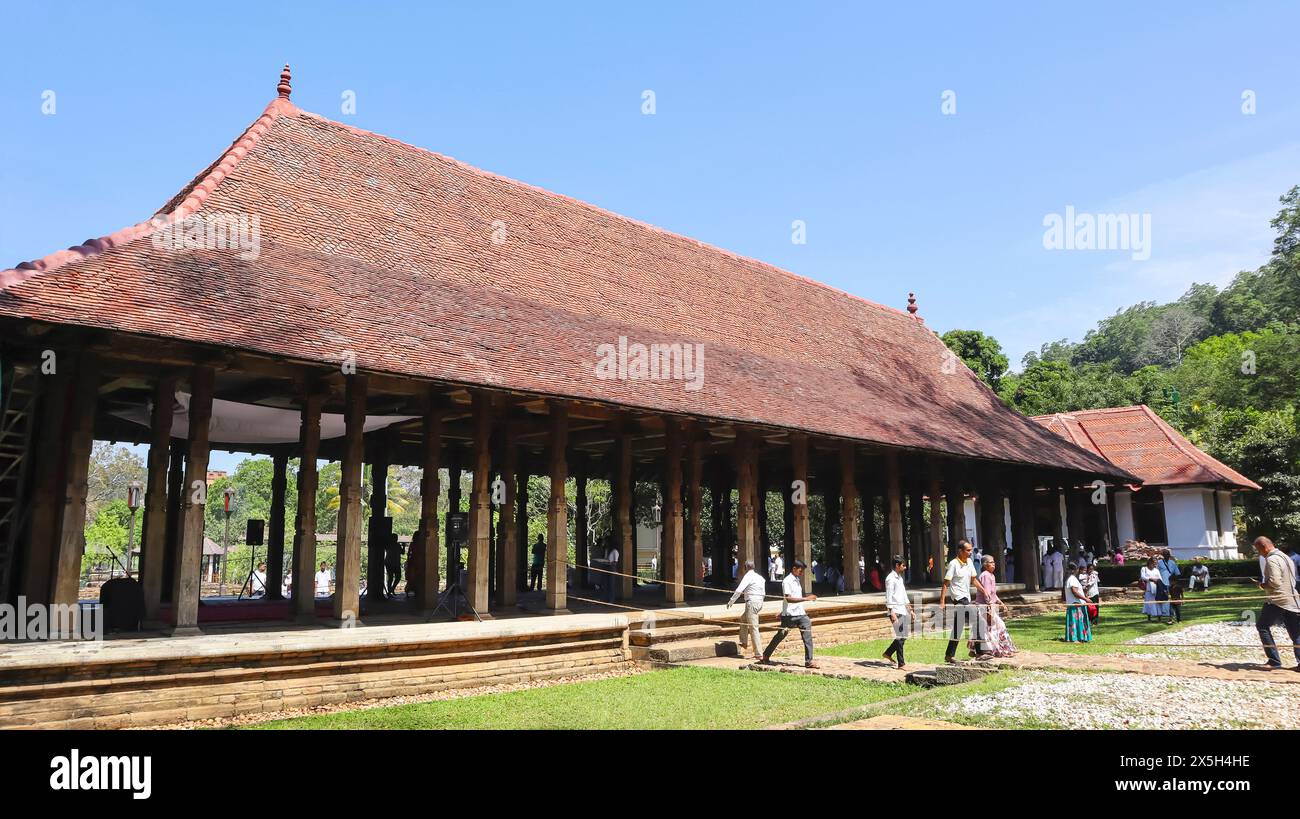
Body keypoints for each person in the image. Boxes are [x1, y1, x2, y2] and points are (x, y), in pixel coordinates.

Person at [1252, 536, 1300, 671]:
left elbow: (1275, 582)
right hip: (1293, 598)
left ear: (1264, 547)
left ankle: (1274, 661)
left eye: (1258, 550)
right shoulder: (1287, 557)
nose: (1259, 553)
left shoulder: (1272, 559)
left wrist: (1261, 585)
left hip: (1277, 600)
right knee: (1296, 633)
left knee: (1262, 626)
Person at [760, 559, 818, 668]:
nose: (801, 573)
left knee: (807, 635)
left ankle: (809, 661)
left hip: (801, 614)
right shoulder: (787, 581)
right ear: (794, 569)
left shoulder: (796, 580)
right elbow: (788, 599)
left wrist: (782, 611)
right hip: (790, 616)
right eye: (800, 571)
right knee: (780, 635)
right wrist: (806, 599)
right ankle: (766, 655)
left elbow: (791, 600)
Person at [941, 540, 991, 663]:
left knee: (958, 629)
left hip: (966, 598)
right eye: (968, 550)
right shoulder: (953, 564)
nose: (970, 552)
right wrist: (942, 601)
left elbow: (974, 580)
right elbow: (946, 584)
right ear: (960, 551)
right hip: (959, 600)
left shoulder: (969, 562)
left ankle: (949, 655)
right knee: (979, 621)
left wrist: (984, 590)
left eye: (970, 550)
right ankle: (979, 652)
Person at [727, 560, 767, 661]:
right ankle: (743, 641)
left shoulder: (748, 576)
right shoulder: (760, 577)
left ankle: (759, 653)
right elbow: (763, 592)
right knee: (743, 619)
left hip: (752, 603)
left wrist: (731, 601)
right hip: (758, 602)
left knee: (753, 628)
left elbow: (739, 590)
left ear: (745, 567)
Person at [976, 554, 1015, 657]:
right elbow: (986, 593)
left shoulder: (991, 576)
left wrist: (1000, 602)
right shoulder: (985, 575)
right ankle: (993, 650)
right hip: (985, 606)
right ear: (985, 565)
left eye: (994, 562)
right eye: (991, 562)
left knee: (994, 627)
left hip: (990, 605)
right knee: (993, 627)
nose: (993, 564)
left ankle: (1000, 648)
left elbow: (993, 594)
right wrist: (989, 607)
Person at [882, 557, 913, 668]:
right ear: (897, 565)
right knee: (901, 636)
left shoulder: (899, 578)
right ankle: (901, 663)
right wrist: (892, 612)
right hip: (895, 610)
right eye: (903, 565)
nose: (905, 567)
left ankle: (888, 653)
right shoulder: (890, 579)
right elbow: (889, 597)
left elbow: (904, 595)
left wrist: (910, 610)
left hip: (902, 610)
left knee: (903, 636)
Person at [1064, 562, 1092, 642]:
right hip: (1076, 604)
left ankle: (1079, 637)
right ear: (1075, 570)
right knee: (1077, 622)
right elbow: (1075, 592)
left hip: (1076, 603)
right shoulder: (1072, 579)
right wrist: (1085, 599)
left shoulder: (1070, 579)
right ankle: (1076, 638)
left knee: (1078, 622)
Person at [1138, 556, 1167, 622]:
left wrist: (1158, 582)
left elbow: (1160, 578)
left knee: (1158, 603)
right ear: (1150, 562)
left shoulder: (1156, 570)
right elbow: (1143, 577)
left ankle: (1159, 618)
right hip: (1148, 588)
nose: (1155, 564)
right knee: (1149, 603)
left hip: (1156, 588)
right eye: (1154, 562)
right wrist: (1151, 579)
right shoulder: (1144, 568)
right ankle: (1149, 618)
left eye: (1156, 563)